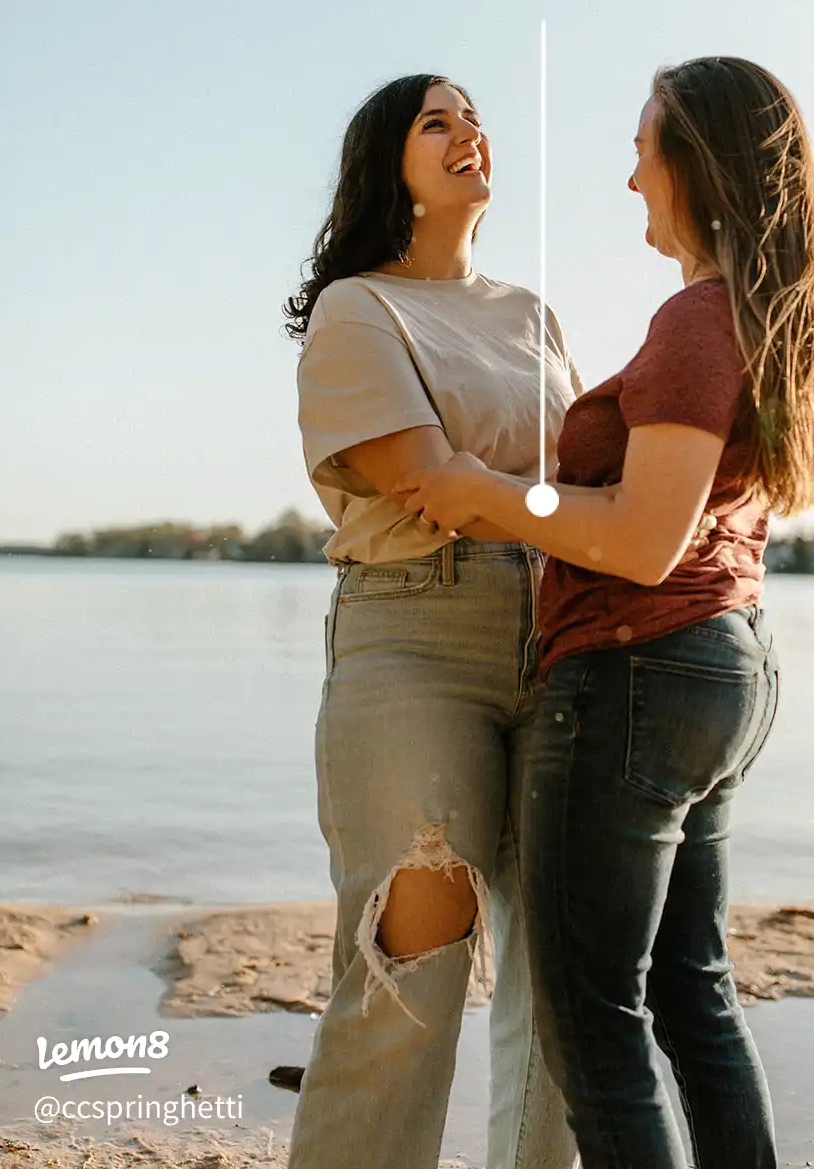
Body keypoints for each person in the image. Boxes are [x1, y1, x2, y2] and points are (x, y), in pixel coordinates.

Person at [396, 55, 814, 1169]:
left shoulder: (697, 319)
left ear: (693, 163)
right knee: (690, 992)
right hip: (718, 667)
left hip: (640, 672)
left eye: (643, 147)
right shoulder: (756, 316)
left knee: (593, 1017)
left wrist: (490, 493)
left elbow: (642, 535)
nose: (630, 175)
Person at [280, 74, 583, 1169]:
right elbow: (428, 481)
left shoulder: (533, 314)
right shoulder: (358, 307)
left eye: (474, 116)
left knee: (559, 991)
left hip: (561, 638)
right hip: (415, 636)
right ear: (386, 167)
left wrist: (571, 509)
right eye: (436, 120)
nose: (470, 134)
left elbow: (572, 481)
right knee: (407, 977)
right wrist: (573, 508)